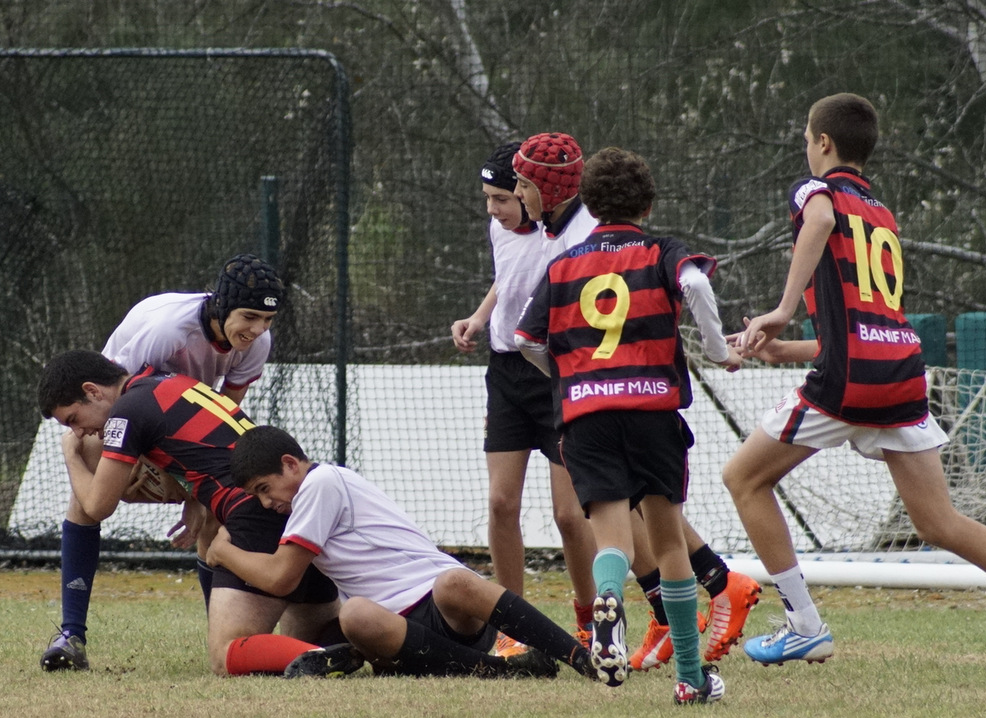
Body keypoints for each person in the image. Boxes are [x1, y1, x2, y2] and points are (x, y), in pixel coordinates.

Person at [723, 92, 986, 689]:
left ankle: (803, 623)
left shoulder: (813, 192)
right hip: (898, 371)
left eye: (807, 138)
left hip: (850, 382)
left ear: (823, 144)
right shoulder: (881, 212)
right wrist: (785, 348)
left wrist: (780, 309)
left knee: (744, 479)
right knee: (940, 521)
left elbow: (819, 221)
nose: (806, 148)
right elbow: (865, 326)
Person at [513, 132, 763, 668]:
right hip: (653, 412)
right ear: (648, 205)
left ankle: (608, 606)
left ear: (591, 203)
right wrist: (719, 352)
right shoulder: (660, 250)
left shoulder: (563, 264)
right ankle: (692, 676)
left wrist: (568, 376)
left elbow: (525, 340)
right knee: (669, 543)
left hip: (587, 416)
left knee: (614, 541)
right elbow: (695, 285)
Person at [41, 253, 283, 673]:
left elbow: (226, 412)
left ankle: (223, 633)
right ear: (222, 305)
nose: (258, 330)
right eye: (249, 317)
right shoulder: (165, 331)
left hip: (179, 425)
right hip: (138, 412)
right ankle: (71, 633)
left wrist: (198, 493)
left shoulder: (255, 342)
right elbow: (116, 398)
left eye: (267, 320)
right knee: (89, 465)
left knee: (206, 519)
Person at [206, 425, 596, 680]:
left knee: (454, 580)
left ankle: (578, 656)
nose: (266, 502)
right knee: (356, 613)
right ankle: (492, 670)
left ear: (290, 465)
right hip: (396, 627)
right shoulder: (317, 488)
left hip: (442, 611)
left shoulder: (319, 483)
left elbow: (280, 577)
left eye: (263, 488)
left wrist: (222, 552)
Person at [37, 351, 341, 677]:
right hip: (293, 510)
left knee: (227, 655)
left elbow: (97, 506)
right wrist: (194, 495)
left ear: (93, 391)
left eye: (73, 419)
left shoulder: (126, 411)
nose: (79, 432)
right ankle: (346, 648)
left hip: (257, 513)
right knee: (313, 637)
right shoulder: (173, 382)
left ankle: (322, 655)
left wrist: (71, 456)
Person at [450, 141, 598, 657]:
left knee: (569, 514)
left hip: (556, 373)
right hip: (508, 372)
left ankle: (589, 622)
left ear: (532, 193)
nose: (492, 209)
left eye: (502, 199)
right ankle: (511, 626)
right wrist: (479, 316)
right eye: (487, 198)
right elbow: (506, 280)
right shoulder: (499, 227)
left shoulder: (565, 234)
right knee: (499, 501)